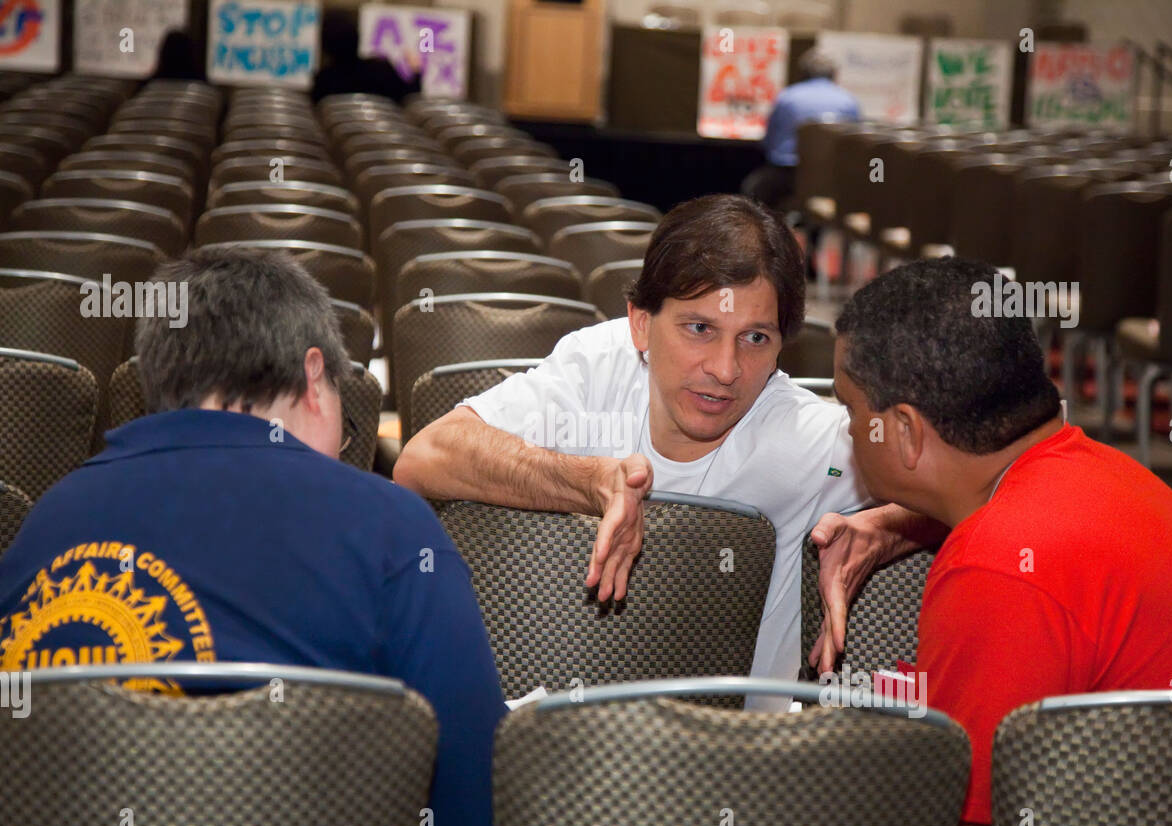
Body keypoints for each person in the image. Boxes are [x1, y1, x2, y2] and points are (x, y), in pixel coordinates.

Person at [0, 248, 506, 826]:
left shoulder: (41, 525)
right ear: (313, 378)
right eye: (346, 424)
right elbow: (477, 816)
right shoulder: (392, 527)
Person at [394, 194, 944, 711]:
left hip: (733, 765)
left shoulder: (815, 439)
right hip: (557, 749)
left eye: (755, 339)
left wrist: (897, 523)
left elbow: (995, 481)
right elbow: (424, 458)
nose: (725, 370)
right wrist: (586, 481)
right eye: (700, 329)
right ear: (640, 322)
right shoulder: (596, 369)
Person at [830, 256, 1172, 826]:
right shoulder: (1097, 469)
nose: (849, 431)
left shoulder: (998, 566)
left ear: (905, 431)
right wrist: (912, 519)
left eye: (852, 410)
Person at [743, 48, 860, 211]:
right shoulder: (849, 101)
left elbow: (769, 143)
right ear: (834, 74)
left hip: (787, 175)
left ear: (803, 73)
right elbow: (854, 145)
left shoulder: (787, 97)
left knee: (753, 188)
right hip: (830, 180)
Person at [312, 8, 422, 104]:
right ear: (357, 37)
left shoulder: (324, 81)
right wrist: (416, 71)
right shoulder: (381, 70)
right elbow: (409, 100)